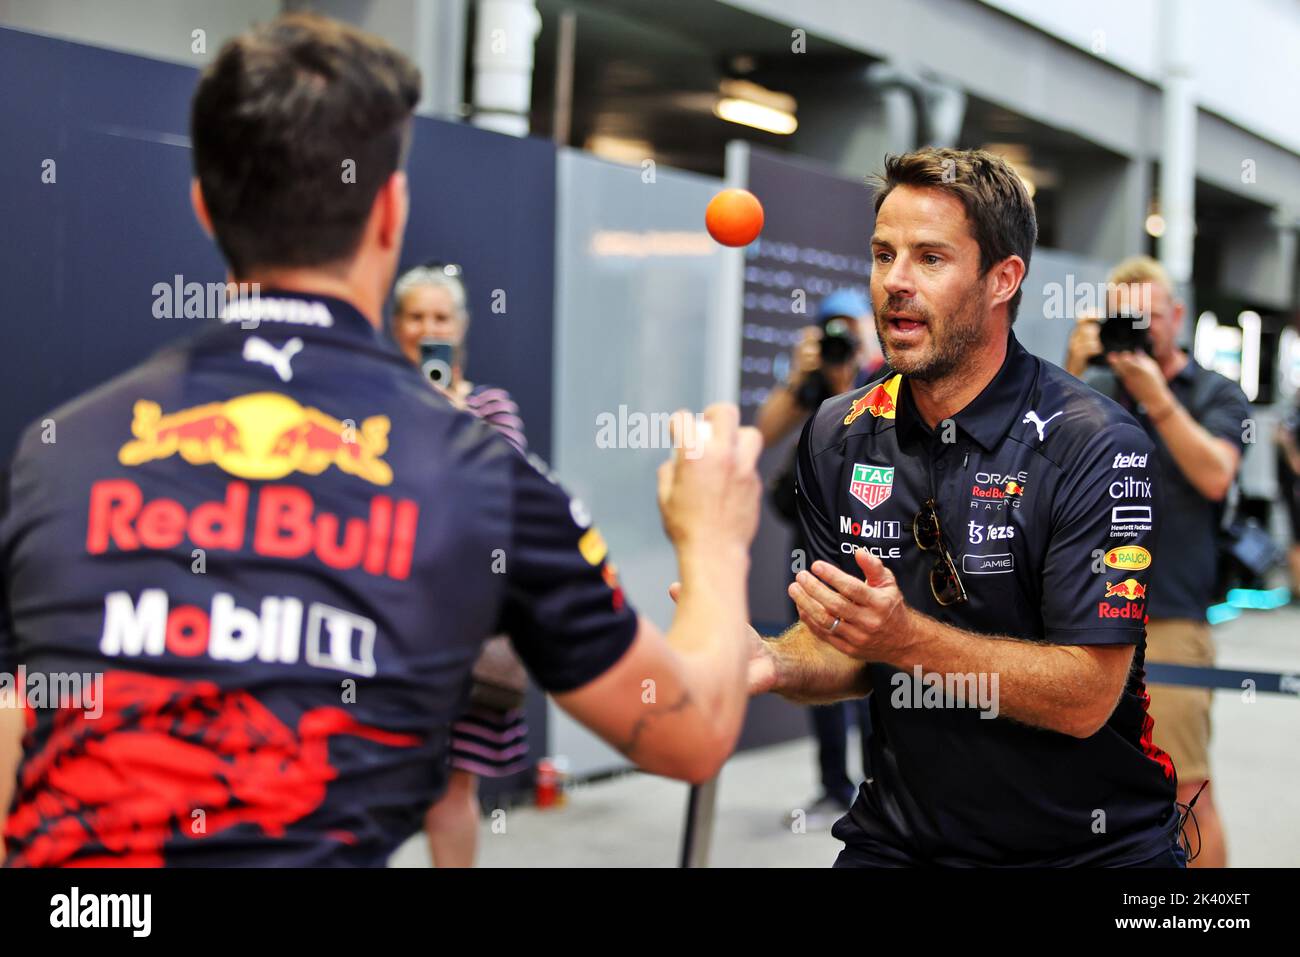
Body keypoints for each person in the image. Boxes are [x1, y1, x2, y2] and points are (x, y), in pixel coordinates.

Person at [0, 13, 762, 867]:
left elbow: (16, 726)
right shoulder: (480, 473)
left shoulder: (55, 453)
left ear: (204, 207)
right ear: (391, 212)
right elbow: (688, 732)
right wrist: (715, 540)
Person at [742, 147, 1183, 866]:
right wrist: (769, 661)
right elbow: (844, 648)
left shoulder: (1094, 443)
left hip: (1087, 851)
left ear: (1002, 278)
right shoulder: (837, 431)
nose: (896, 283)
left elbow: (1085, 695)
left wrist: (902, 638)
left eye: (930, 258)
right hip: (901, 840)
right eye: (883, 254)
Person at [1064, 256, 1248, 868]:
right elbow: (1040, 462)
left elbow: (1217, 475)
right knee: (1089, 789)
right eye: (1125, 318)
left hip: (1169, 618)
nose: (1139, 330)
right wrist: (1072, 367)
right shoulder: (1095, 390)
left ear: (1177, 316)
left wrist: (1157, 399)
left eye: (1148, 316)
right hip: (1088, 618)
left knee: (1186, 790)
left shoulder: (1215, 392)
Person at [389, 262, 531, 867]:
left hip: (464, 631)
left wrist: (451, 420)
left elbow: (509, 489)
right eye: (415, 316)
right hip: (384, 625)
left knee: (452, 786)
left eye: (439, 317)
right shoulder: (371, 405)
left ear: (462, 327)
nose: (427, 327)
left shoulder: (490, 406)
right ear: (396, 326)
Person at [756, 291, 876, 826]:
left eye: (846, 330)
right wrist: (801, 381)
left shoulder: (881, 380)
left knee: (875, 670)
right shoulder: (808, 385)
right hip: (811, 548)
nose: (836, 342)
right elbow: (762, 432)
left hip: (872, 549)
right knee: (813, 658)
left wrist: (846, 381)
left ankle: (880, 786)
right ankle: (832, 784)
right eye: (829, 331)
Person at [1275, 399, 1300, 599]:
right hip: (1293, 486)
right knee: (1297, 539)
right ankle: (1297, 589)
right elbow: (1278, 437)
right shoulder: (1292, 417)